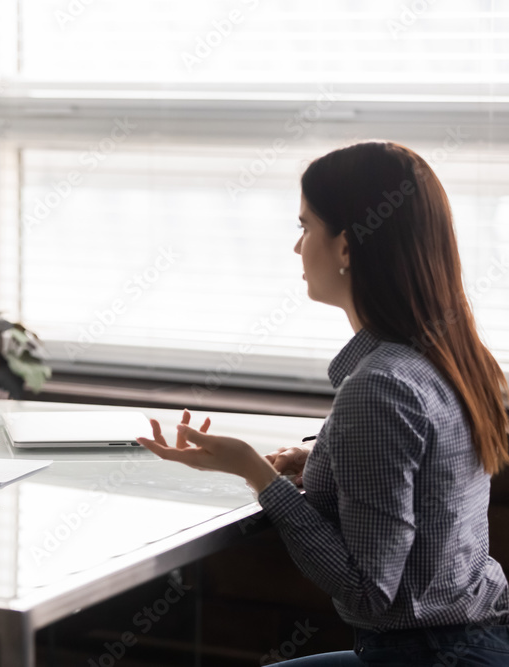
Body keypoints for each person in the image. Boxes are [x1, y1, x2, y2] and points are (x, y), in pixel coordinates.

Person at [138, 141, 509, 665]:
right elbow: (425, 474)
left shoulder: (380, 387)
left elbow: (367, 591)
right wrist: (321, 460)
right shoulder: (448, 357)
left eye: (305, 226)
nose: (297, 248)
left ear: (347, 247)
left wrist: (255, 473)